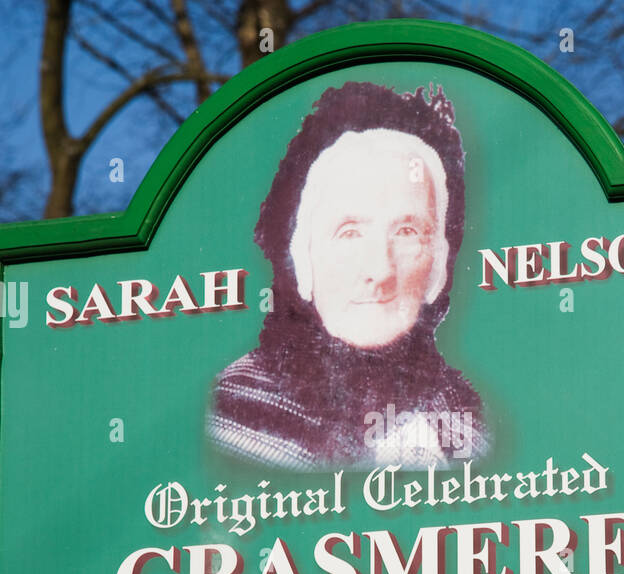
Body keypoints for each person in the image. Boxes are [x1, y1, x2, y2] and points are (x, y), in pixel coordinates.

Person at [206, 81, 489, 471]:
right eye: (350, 232)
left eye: (407, 232)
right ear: (300, 258)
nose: (380, 270)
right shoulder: (231, 415)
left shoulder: (472, 422)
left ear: (438, 264)